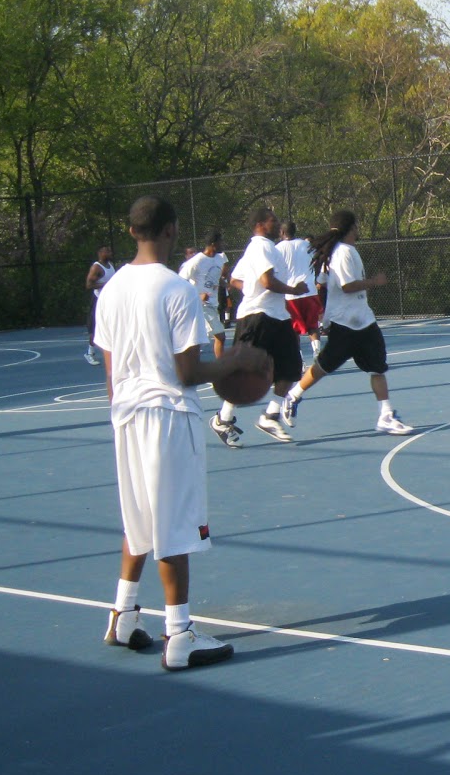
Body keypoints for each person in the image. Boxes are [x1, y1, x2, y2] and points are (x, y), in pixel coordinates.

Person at [93, 195, 270, 671]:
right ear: (171, 231)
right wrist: (232, 364)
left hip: (125, 414)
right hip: (167, 417)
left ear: (132, 232)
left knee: (139, 518)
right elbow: (187, 372)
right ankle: (180, 634)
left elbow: (111, 374)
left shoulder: (110, 290)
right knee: (173, 526)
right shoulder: (175, 290)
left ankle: (123, 615)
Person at [280, 210, 413, 436]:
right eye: (356, 226)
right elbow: (347, 286)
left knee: (377, 367)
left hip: (364, 320)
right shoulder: (342, 253)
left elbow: (323, 282)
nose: (358, 230)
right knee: (323, 367)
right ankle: (292, 396)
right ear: (350, 228)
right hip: (346, 324)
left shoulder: (345, 252)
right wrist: (374, 282)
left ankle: (386, 415)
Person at [212, 206, 308, 447]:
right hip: (256, 318)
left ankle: (270, 415)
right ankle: (223, 419)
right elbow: (267, 282)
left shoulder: (265, 249)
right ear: (260, 225)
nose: (277, 224)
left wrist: (249, 287)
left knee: (291, 369)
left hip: (277, 316)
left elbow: (235, 278)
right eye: (272, 221)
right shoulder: (261, 246)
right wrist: (293, 290)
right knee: (244, 372)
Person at [277, 221, 323, 365]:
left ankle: (299, 360)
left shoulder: (277, 249)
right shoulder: (307, 245)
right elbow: (318, 258)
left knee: (294, 329)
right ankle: (317, 354)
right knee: (313, 325)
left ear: (282, 232)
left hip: (290, 293)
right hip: (309, 290)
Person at [178, 231, 228, 358]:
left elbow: (214, 277)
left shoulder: (219, 258)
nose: (223, 244)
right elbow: (180, 281)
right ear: (213, 244)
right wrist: (198, 296)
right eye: (220, 242)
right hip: (201, 306)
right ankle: (220, 369)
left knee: (199, 340)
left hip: (213, 304)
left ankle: (194, 366)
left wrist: (224, 283)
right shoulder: (197, 261)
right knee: (220, 336)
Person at [84, 245, 116, 364]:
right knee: (95, 328)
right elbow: (89, 285)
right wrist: (107, 284)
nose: (110, 252)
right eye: (107, 251)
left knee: (112, 326)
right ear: (100, 253)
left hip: (109, 301)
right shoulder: (97, 267)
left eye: (110, 250)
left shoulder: (110, 266)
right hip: (98, 301)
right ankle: (90, 353)